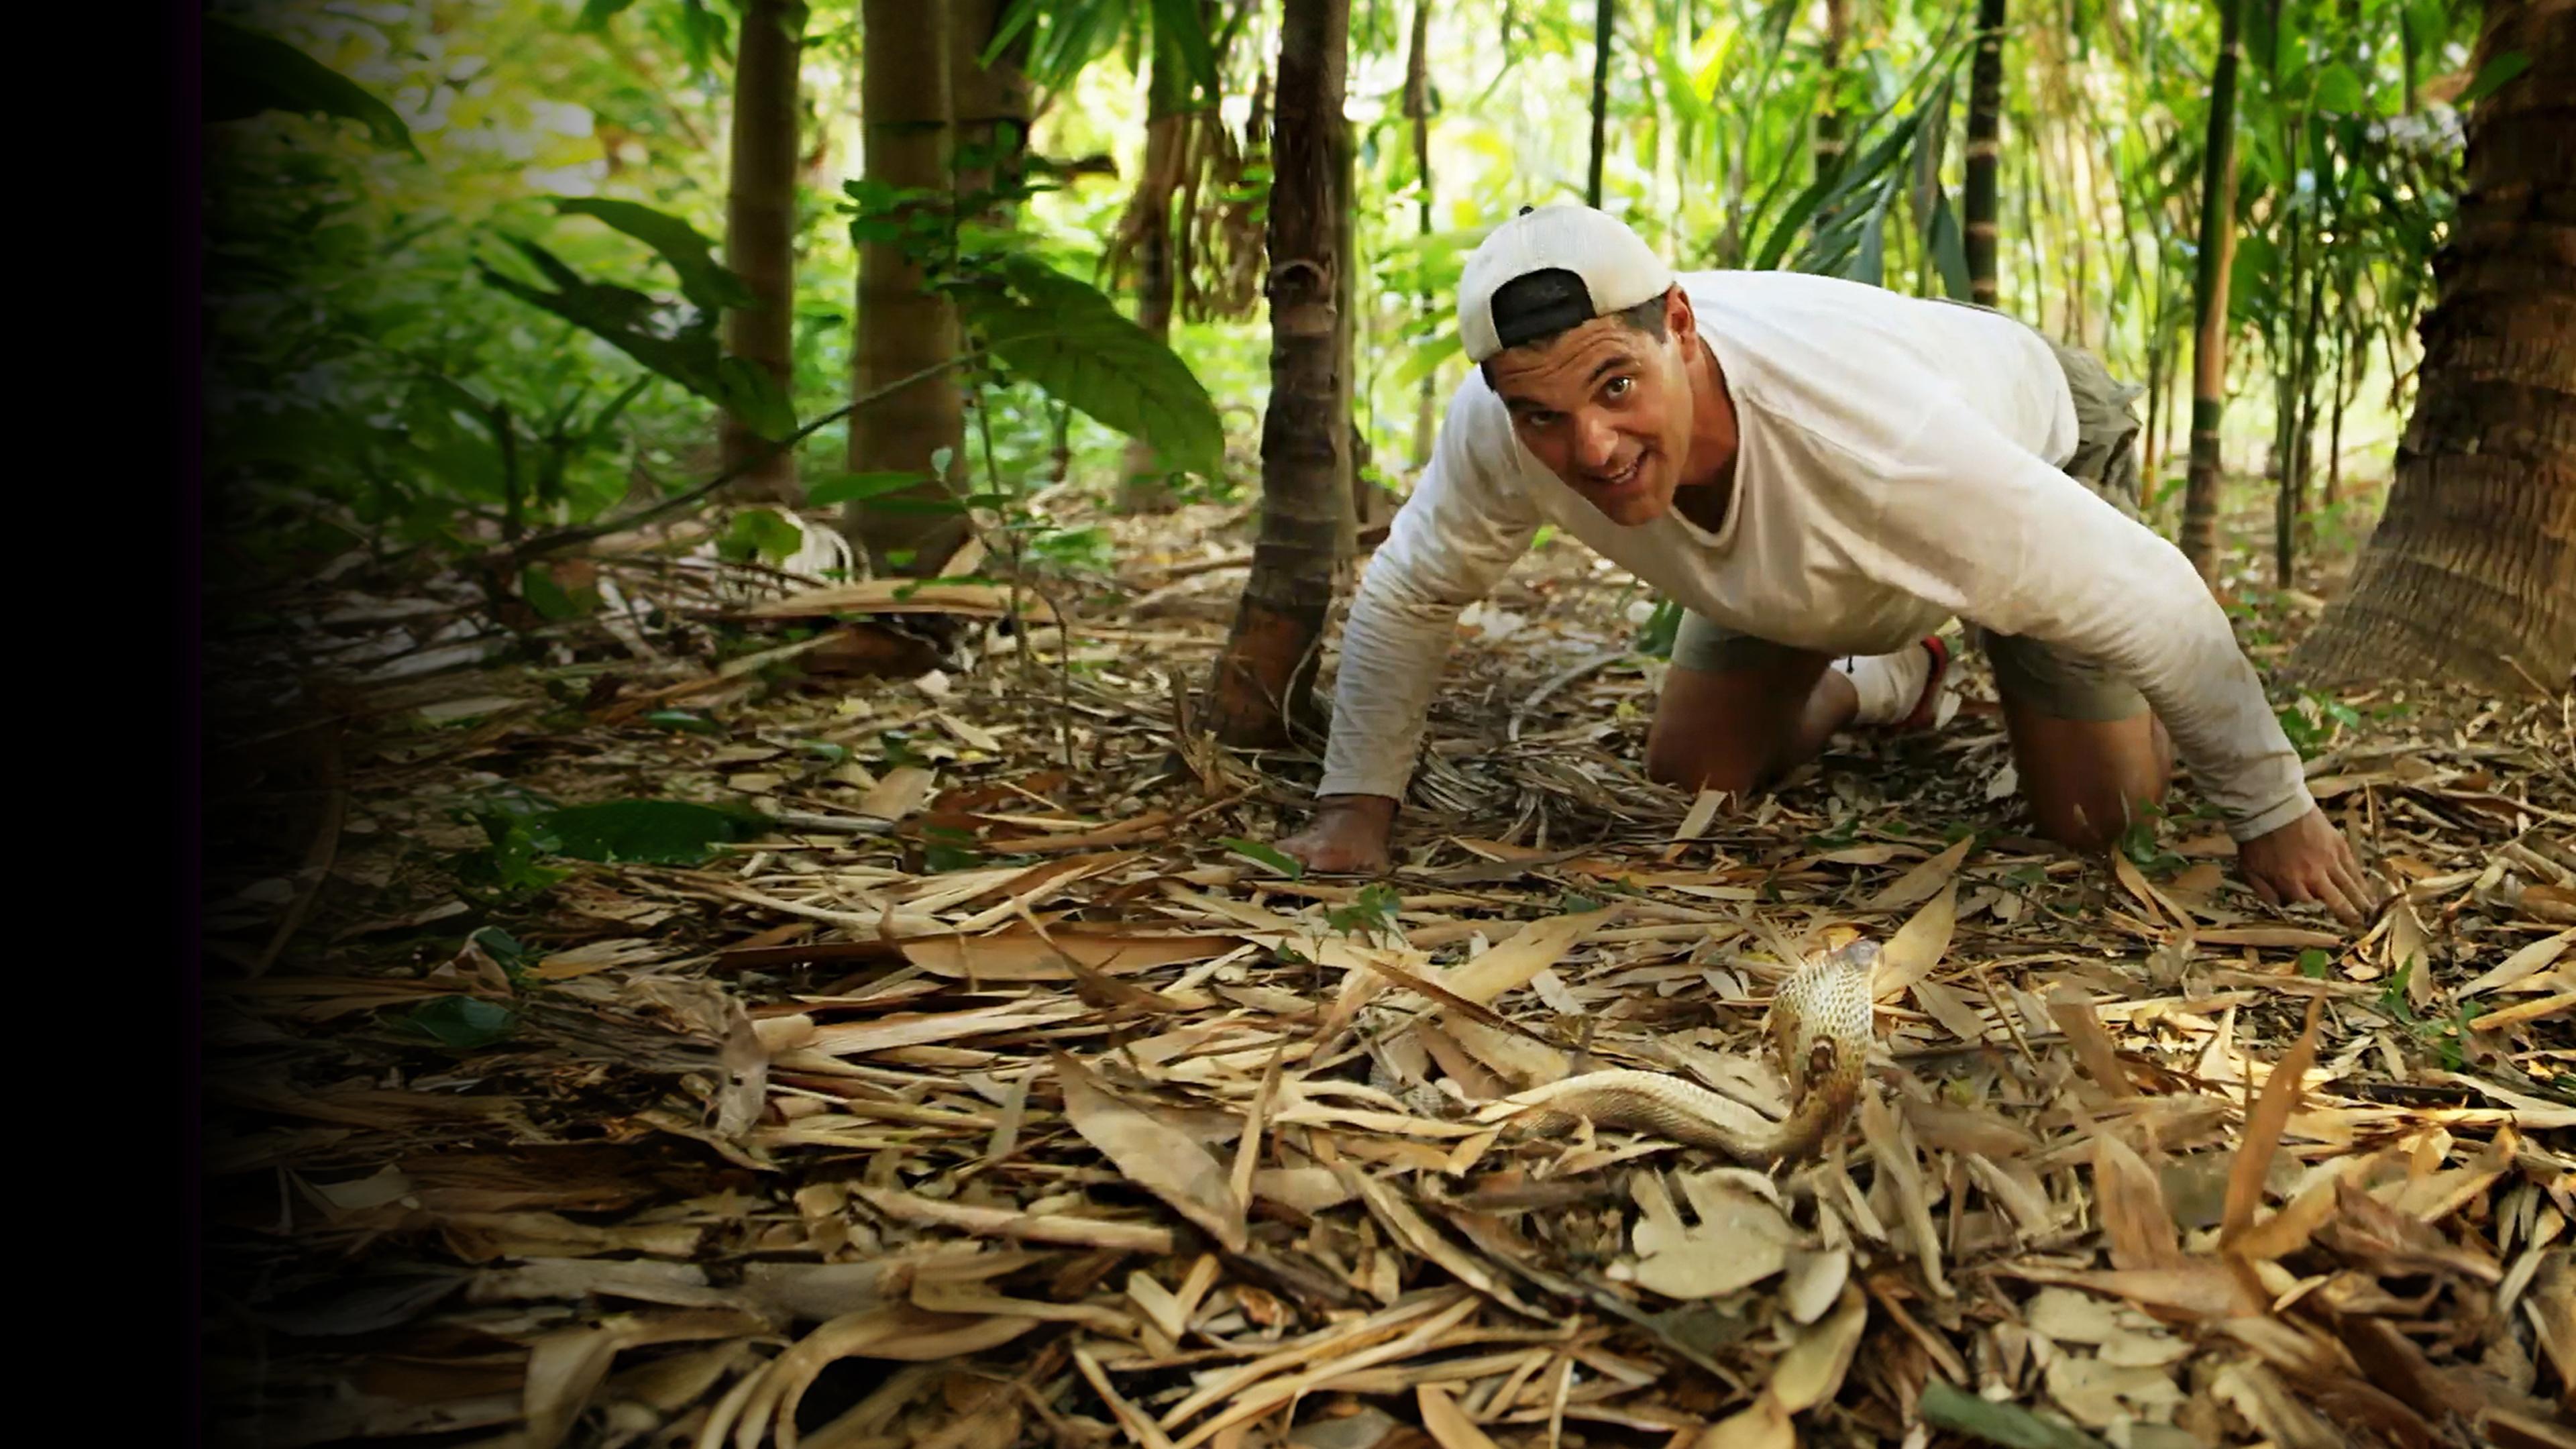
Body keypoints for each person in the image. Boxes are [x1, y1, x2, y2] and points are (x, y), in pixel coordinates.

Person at [1279, 204, 2379, 924]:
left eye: (1617, 387)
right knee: (1693, 777)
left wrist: (2273, 811)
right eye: (1542, 416)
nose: (1590, 451)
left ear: (1679, 325)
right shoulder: (1501, 425)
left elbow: (2154, 599)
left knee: (2097, 821)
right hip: (1802, 555)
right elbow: (1412, 592)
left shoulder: (1893, 449)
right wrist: (1354, 803)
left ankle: (1981, 626)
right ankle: (1899, 676)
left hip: (2028, 444)